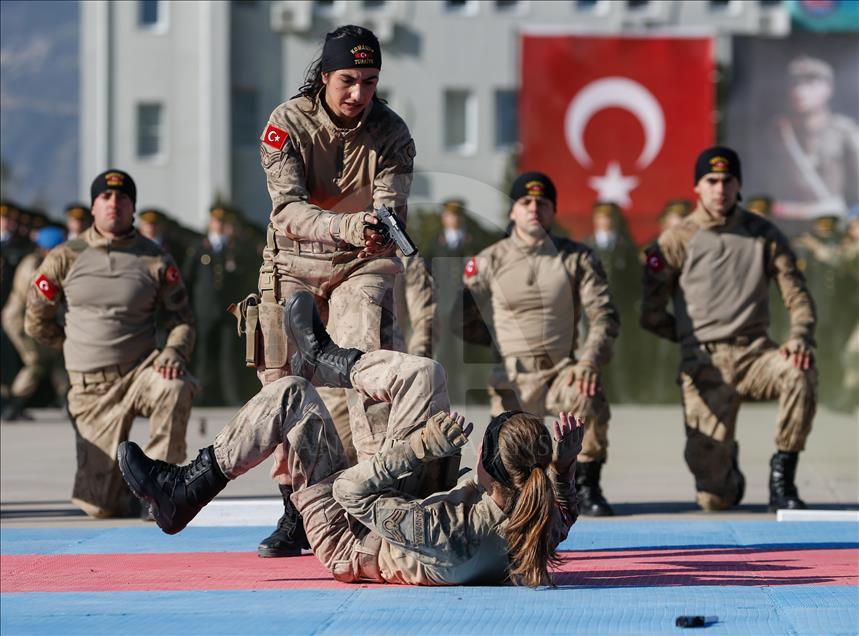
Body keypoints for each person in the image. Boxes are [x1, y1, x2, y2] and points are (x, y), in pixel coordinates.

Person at [118, 291, 582, 587]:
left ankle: (186, 489)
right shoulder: (535, 512)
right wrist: (564, 467)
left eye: (483, 447)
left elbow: (350, 491)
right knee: (427, 374)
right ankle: (332, 360)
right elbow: (562, 512)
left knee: (292, 395)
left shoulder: (453, 533)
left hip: (354, 533)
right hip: (411, 503)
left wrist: (421, 448)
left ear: (492, 470)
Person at [247, 24, 417, 557]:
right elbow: (287, 210)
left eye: (370, 81)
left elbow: (390, 208)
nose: (358, 93)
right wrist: (345, 224)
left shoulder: (392, 133)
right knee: (284, 384)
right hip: (293, 263)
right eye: (348, 80)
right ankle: (296, 509)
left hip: (359, 266)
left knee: (366, 369)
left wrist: (377, 227)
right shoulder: (286, 124)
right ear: (324, 76)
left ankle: (376, 499)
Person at [640, 147, 817, 512]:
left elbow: (797, 296)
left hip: (756, 355)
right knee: (714, 500)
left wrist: (798, 338)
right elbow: (651, 314)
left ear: (738, 185)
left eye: (727, 181)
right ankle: (726, 464)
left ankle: (783, 477)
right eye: (711, 181)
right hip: (704, 364)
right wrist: (690, 340)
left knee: (800, 371)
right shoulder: (673, 241)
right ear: (697, 187)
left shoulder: (764, 235)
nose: (720, 189)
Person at [25, 169, 197, 518]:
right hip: (91, 390)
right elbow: (35, 320)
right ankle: (123, 489)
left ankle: (159, 488)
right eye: (105, 197)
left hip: (140, 374)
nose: (114, 203)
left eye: (123, 197)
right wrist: (71, 346)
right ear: (93, 206)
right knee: (99, 508)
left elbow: (182, 320)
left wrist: (173, 351)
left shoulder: (155, 258)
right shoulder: (64, 257)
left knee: (174, 386)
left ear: (133, 206)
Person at [455, 172, 620, 516]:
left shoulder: (577, 258)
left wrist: (589, 361)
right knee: (510, 449)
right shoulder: (488, 260)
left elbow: (604, 316)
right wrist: (499, 350)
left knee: (587, 393)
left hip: (563, 370)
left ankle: (584, 484)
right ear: (512, 211)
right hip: (514, 373)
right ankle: (518, 492)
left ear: (553, 211)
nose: (534, 208)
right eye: (525, 202)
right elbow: (462, 317)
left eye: (542, 203)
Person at [763, 55, 859, 218]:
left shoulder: (845, 132)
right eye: (795, 84)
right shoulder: (778, 132)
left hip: (833, 222)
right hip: (787, 220)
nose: (799, 91)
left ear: (829, 88)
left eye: (810, 84)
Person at [1, 225, 69, 420]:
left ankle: (67, 400)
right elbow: (41, 295)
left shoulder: (42, 262)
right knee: (36, 362)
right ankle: (13, 404)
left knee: (55, 358)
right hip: (21, 320)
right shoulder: (33, 264)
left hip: (34, 319)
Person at [183, 206, 244, 406]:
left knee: (228, 355)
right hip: (205, 310)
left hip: (228, 310)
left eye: (223, 222)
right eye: (216, 221)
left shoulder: (233, 248)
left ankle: (231, 395)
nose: (219, 225)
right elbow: (188, 278)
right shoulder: (199, 248)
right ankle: (202, 394)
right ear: (210, 223)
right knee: (203, 353)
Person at [584, 201, 640, 403]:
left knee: (622, 353)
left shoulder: (626, 246)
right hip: (592, 310)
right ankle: (596, 394)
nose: (606, 221)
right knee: (594, 351)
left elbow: (635, 278)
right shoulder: (586, 246)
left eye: (609, 217)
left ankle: (624, 394)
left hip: (620, 308)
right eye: (602, 217)